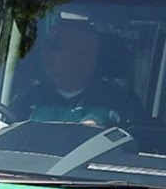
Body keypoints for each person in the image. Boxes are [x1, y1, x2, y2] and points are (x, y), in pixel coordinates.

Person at [9, 20, 139, 127]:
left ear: (84, 55)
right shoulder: (26, 99)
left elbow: (88, 133)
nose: (45, 52)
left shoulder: (114, 101)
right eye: (45, 44)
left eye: (55, 46)